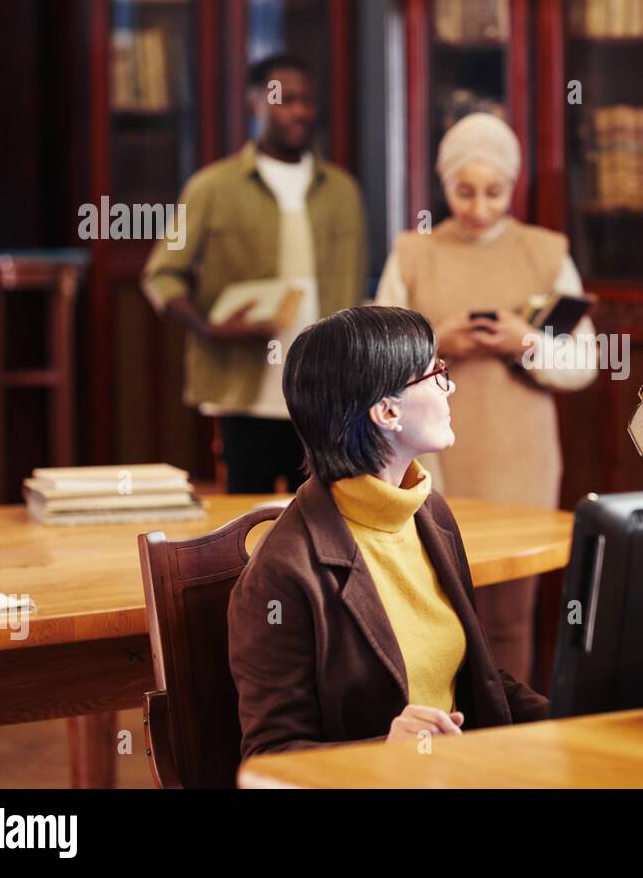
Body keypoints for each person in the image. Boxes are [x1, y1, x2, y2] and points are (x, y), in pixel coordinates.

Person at [228, 306, 548, 756]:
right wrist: (386, 750)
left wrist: (581, 717)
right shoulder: (283, 571)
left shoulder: (427, 511)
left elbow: (478, 681)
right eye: (436, 374)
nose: (449, 386)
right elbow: (269, 756)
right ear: (386, 411)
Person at [375, 112, 598, 682]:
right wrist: (435, 342)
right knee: (433, 609)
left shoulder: (545, 253)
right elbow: (372, 360)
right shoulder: (412, 252)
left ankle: (506, 746)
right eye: (463, 191)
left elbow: (583, 365)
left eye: (493, 192)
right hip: (426, 459)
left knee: (509, 617)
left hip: (518, 456)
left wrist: (525, 343)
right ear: (443, 183)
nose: (478, 207)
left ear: (514, 185)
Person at [141, 53, 366, 494]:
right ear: (253, 103)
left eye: (307, 100)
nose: (300, 111)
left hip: (325, 394)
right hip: (244, 391)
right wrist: (210, 327)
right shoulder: (212, 188)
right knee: (247, 524)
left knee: (327, 525)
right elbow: (162, 274)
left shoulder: (343, 192)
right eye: (285, 99)